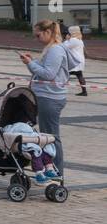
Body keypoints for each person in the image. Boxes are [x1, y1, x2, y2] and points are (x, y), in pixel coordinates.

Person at [19, 19, 70, 182]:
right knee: (48, 136)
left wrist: (31, 63)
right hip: (46, 96)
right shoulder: (50, 49)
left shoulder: (55, 50)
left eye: (38, 35)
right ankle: (51, 169)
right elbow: (40, 72)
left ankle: (57, 172)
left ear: (48, 32)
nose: (36, 38)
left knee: (52, 137)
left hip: (50, 98)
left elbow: (48, 74)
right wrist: (31, 62)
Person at [65, 26, 88, 97]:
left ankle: (59, 89)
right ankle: (84, 92)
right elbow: (84, 51)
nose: (68, 33)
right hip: (80, 60)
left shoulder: (73, 40)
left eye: (69, 32)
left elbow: (64, 46)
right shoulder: (80, 39)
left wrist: (66, 39)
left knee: (65, 74)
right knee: (79, 75)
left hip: (74, 61)